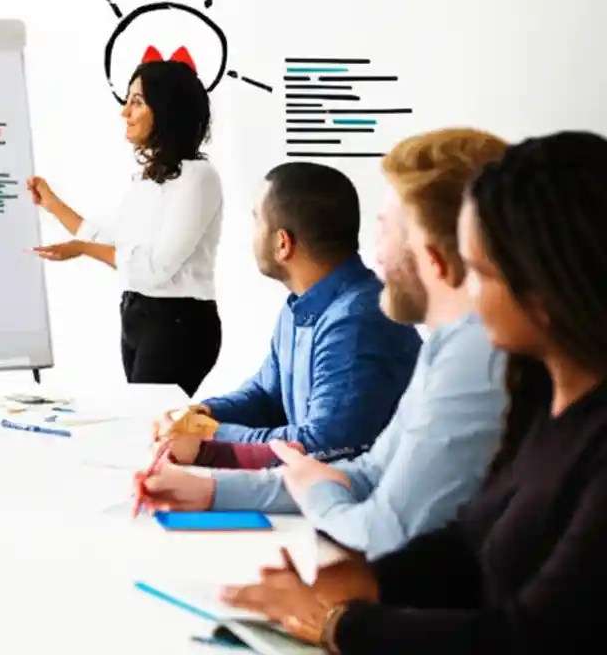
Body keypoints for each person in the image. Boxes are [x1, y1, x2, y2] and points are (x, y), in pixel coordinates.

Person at [220, 131, 607, 653]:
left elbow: (531, 635)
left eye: (482, 273)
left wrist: (339, 624)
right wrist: (372, 584)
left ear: (545, 289)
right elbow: (469, 542)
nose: (466, 291)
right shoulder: (542, 396)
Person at [140, 129, 508, 559]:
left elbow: (357, 491)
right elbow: (361, 469)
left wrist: (208, 444)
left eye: (385, 229)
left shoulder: (386, 328)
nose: (376, 253)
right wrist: (205, 453)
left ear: (432, 254)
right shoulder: (442, 344)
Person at [156, 162, 422, 466]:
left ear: (283, 243)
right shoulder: (301, 304)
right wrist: (203, 414)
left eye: (257, 221)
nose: (252, 234)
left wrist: (210, 434)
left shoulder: (357, 321)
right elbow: (267, 395)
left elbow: (324, 443)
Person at [28, 60, 223, 395]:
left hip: (177, 323)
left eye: (137, 102)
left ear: (166, 110)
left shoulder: (198, 178)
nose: (125, 112)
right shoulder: (148, 179)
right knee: (147, 431)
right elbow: (107, 237)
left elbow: (154, 268)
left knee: (149, 430)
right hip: (139, 316)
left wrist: (84, 250)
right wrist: (53, 204)